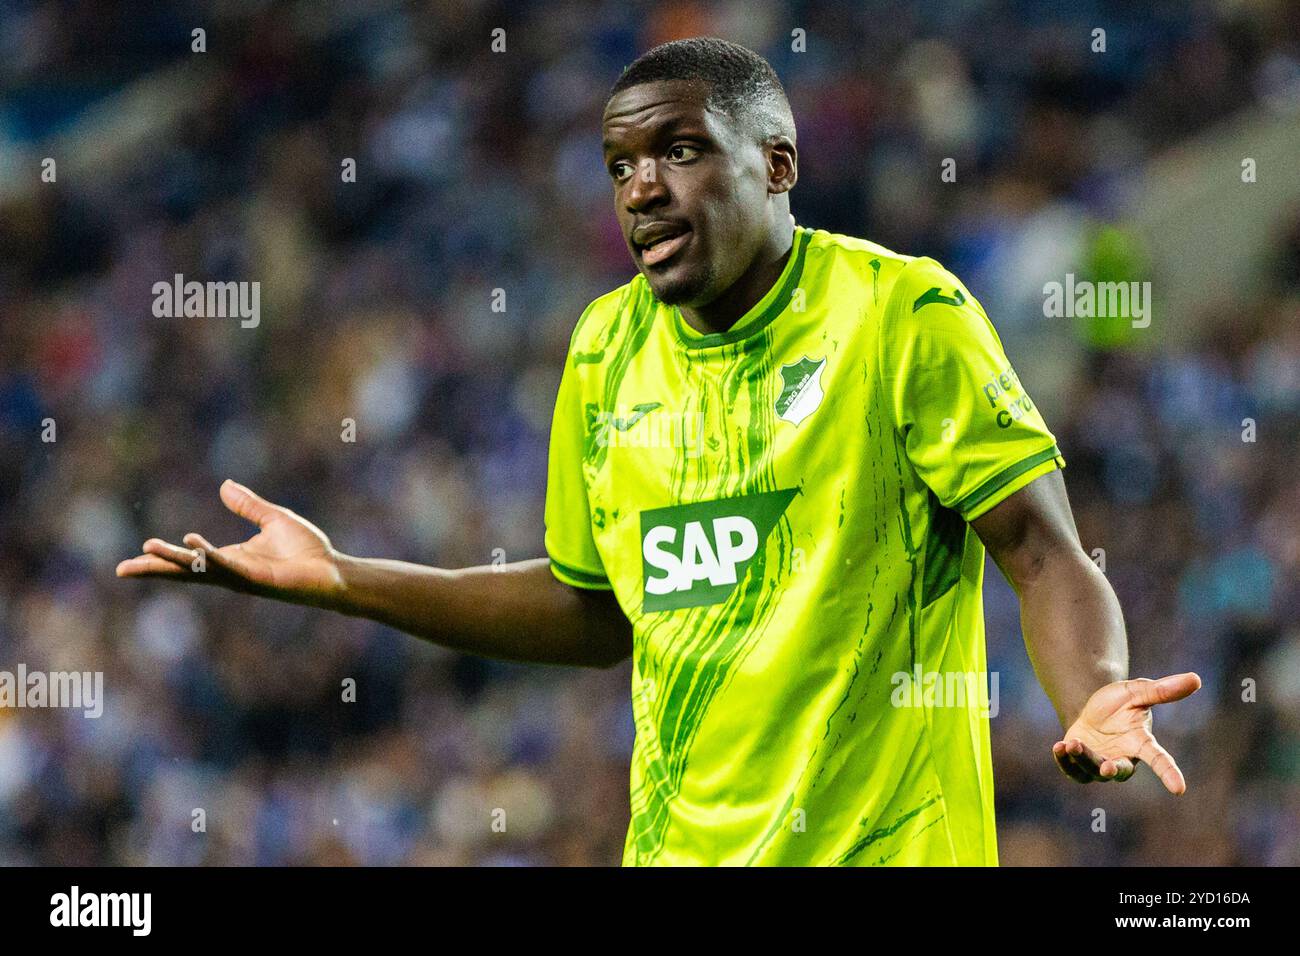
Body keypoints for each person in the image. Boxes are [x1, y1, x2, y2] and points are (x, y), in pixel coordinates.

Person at [118, 36, 1201, 866]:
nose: (641, 187)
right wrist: (347, 579)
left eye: (679, 150)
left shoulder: (900, 314)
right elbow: (596, 612)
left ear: (776, 164)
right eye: (620, 163)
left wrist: (1092, 690)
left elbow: (1042, 550)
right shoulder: (603, 349)